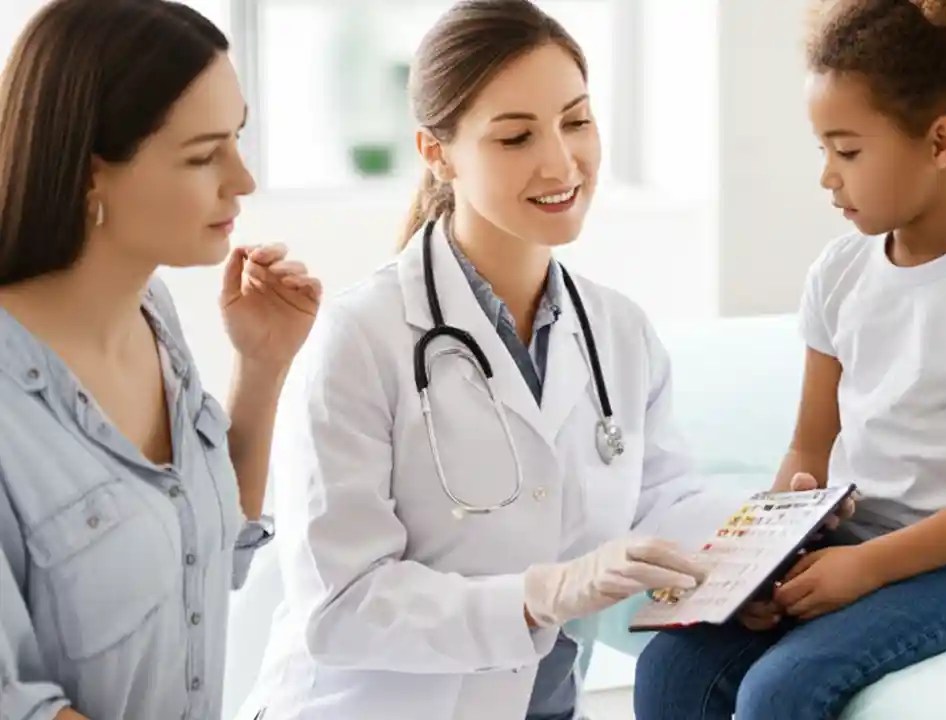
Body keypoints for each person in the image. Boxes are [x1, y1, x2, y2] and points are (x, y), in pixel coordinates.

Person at [241, 1, 715, 718]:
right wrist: (542, 594)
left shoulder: (620, 332)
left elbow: (664, 510)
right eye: (516, 137)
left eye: (577, 121)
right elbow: (341, 604)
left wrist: (760, 548)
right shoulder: (361, 339)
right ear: (437, 152)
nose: (560, 161)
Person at [634, 1, 946, 718]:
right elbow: (811, 446)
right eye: (823, 151)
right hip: (854, 540)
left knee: (783, 689)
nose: (827, 178)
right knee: (670, 671)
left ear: (940, 142)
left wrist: (868, 567)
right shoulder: (838, 273)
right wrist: (763, 564)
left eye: (848, 151)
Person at [0, 1, 322, 719]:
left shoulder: (157, 320)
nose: (243, 179)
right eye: (205, 154)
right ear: (90, 174)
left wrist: (262, 368)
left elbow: (209, 554)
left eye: (237, 139)